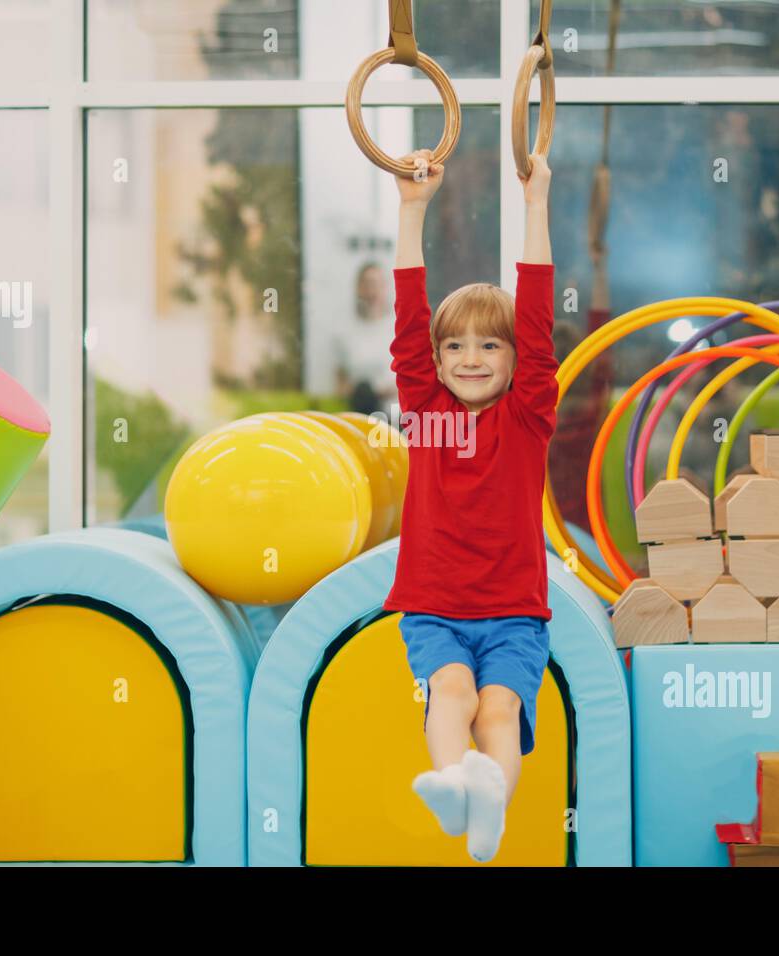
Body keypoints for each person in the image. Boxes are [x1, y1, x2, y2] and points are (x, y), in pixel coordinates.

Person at [381, 147, 555, 862]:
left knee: (500, 708)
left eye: (489, 345)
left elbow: (540, 317)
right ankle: (456, 787)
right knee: (450, 693)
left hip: (514, 610)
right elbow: (406, 327)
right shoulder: (424, 408)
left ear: (515, 359)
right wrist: (411, 207)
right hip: (435, 606)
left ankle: (490, 811)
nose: (471, 358)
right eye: (453, 346)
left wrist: (535, 203)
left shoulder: (527, 417)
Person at [334, 262, 397, 415]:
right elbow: (341, 381)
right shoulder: (345, 332)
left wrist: (384, 391)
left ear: (385, 287)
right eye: (367, 284)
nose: (372, 290)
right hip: (359, 413)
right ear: (359, 289)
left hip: (394, 415)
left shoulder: (398, 328)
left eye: (376, 284)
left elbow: (413, 377)